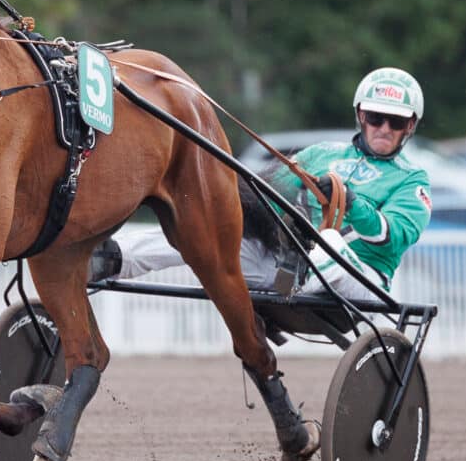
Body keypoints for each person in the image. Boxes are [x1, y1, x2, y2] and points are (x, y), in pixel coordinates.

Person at [91, 66, 433, 303]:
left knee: (328, 239)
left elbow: (393, 238)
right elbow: (264, 196)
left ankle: (300, 269)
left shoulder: (412, 180)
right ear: (361, 115)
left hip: (361, 278)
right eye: (376, 117)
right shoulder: (320, 154)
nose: (384, 128)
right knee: (198, 228)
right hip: (284, 266)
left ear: (410, 126)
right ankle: (111, 259)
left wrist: (352, 203)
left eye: (396, 121)